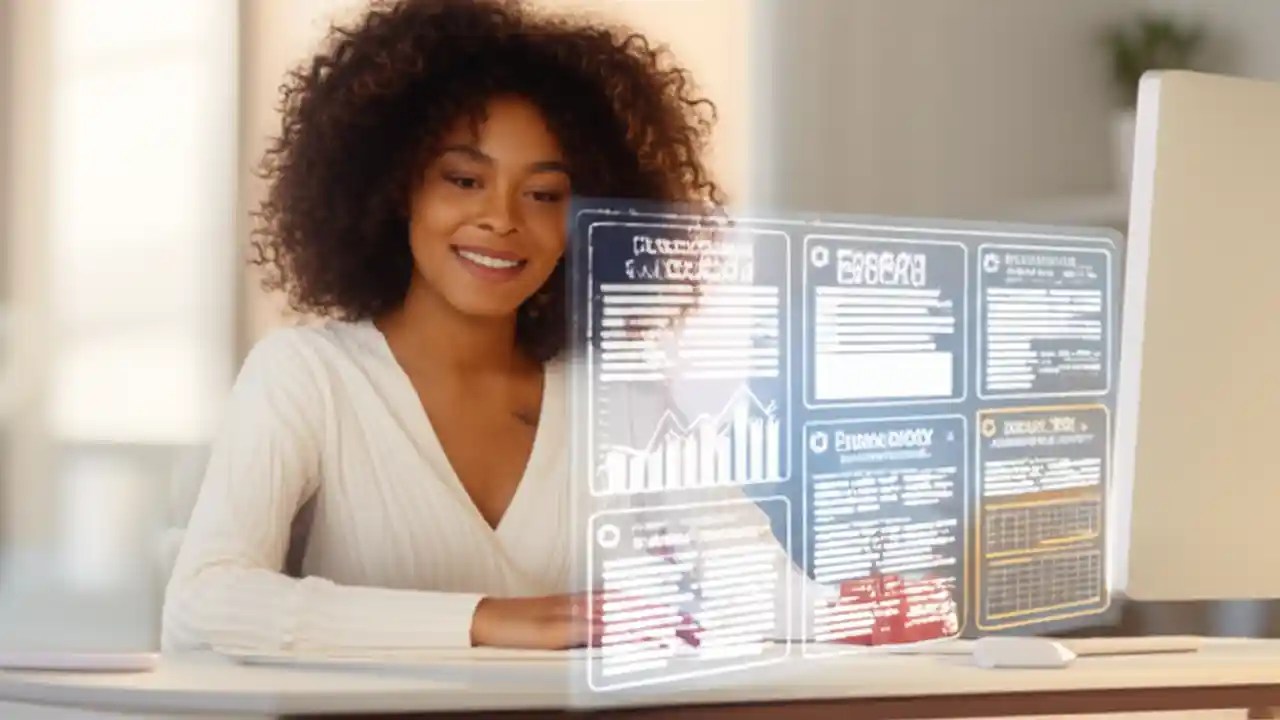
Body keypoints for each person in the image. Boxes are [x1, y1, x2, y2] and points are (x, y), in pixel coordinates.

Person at [162, 0, 734, 654]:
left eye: (544, 194)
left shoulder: (620, 402)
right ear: (398, 187)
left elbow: (752, 578)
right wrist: (485, 620)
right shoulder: (307, 376)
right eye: (464, 180)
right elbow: (202, 601)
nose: (501, 219)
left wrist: (859, 607)